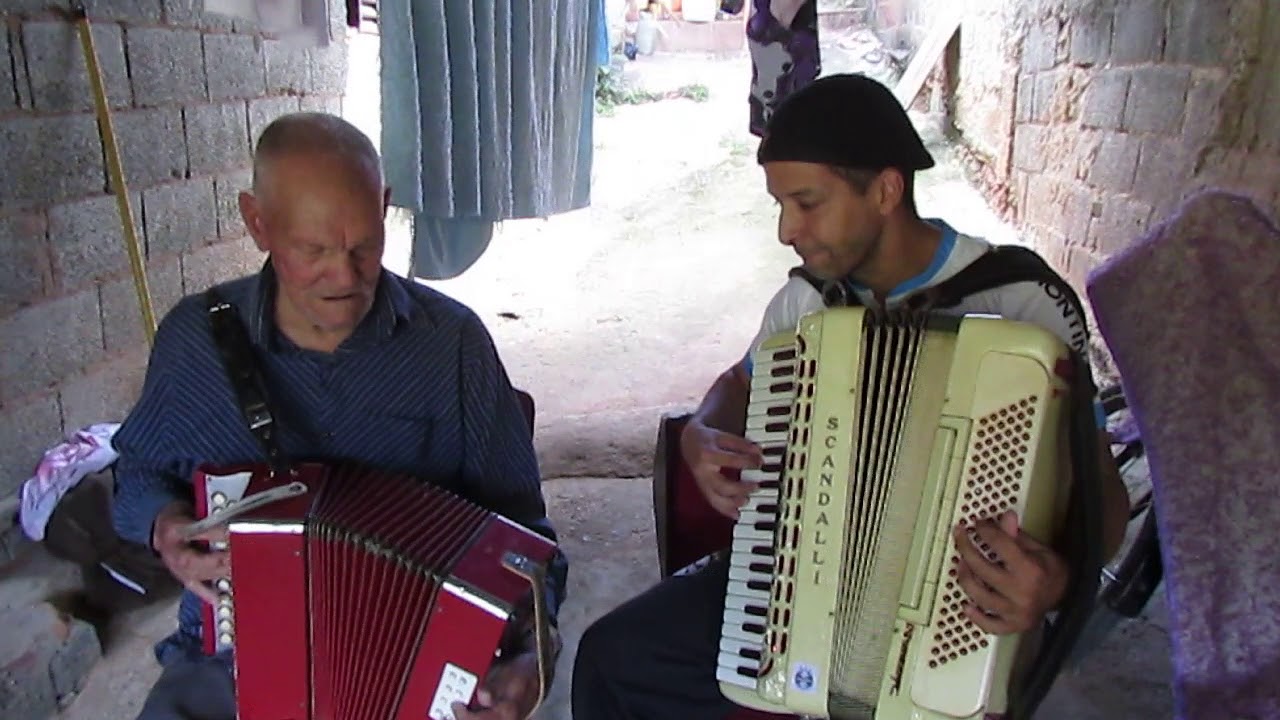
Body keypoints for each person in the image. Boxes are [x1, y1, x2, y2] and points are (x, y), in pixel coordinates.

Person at [571, 73, 1131, 719]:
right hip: (797, 573)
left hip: (963, 603)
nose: (787, 229)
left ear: (886, 190)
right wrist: (703, 431)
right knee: (615, 656)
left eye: (807, 203)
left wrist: (1058, 579)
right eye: (780, 205)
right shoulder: (807, 302)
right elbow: (737, 384)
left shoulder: (1024, 300)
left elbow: (1099, 493)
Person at [110, 112, 568, 720]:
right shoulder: (193, 342)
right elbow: (135, 479)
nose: (346, 276)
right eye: (314, 250)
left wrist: (535, 652)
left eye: (365, 245)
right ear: (257, 222)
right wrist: (167, 529)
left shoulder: (450, 345)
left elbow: (528, 541)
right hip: (229, 663)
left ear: (384, 205)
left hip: (424, 661)